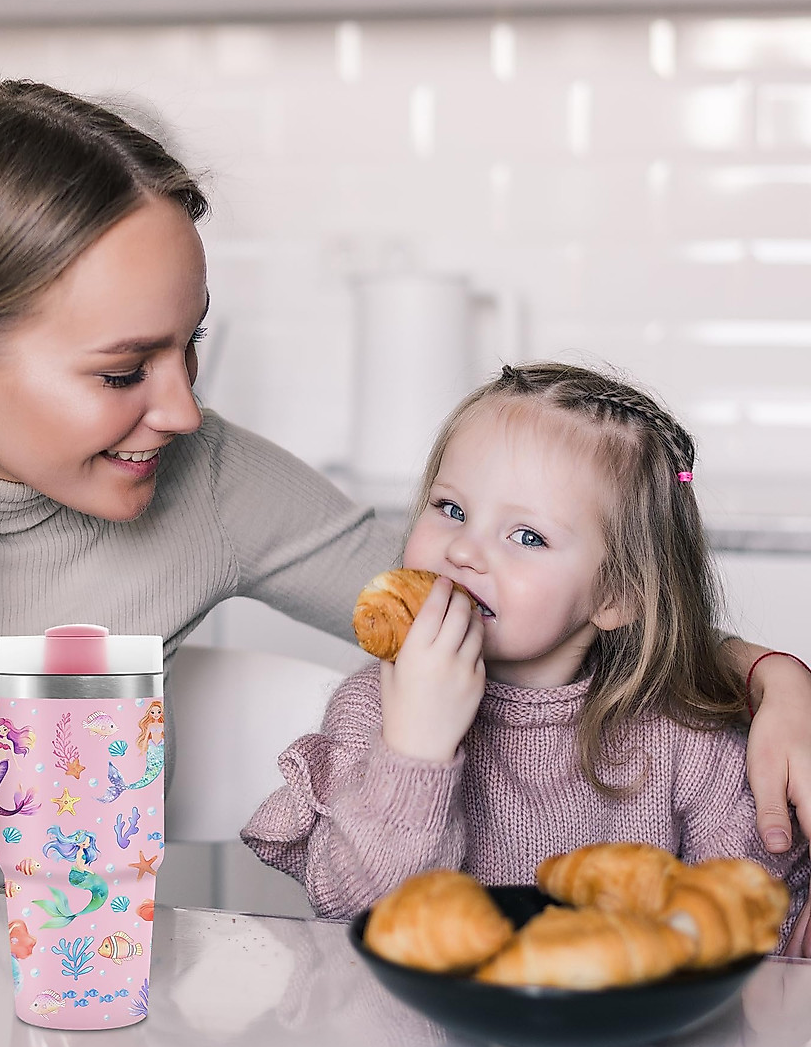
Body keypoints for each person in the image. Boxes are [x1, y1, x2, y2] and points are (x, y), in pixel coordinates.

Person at [0, 80, 811, 892]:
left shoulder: (207, 480)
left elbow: (483, 602)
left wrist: (769, 672)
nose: (185, 409)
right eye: (121, 370)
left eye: (192, 346)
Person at [241, 363, 810, 954]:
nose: (462, 550)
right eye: (450, 509)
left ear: (618, 595)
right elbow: (359, 916)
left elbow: (758, 937)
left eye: (527, 537)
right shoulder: (373, 708)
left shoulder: (685, 743)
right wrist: (414, 749)